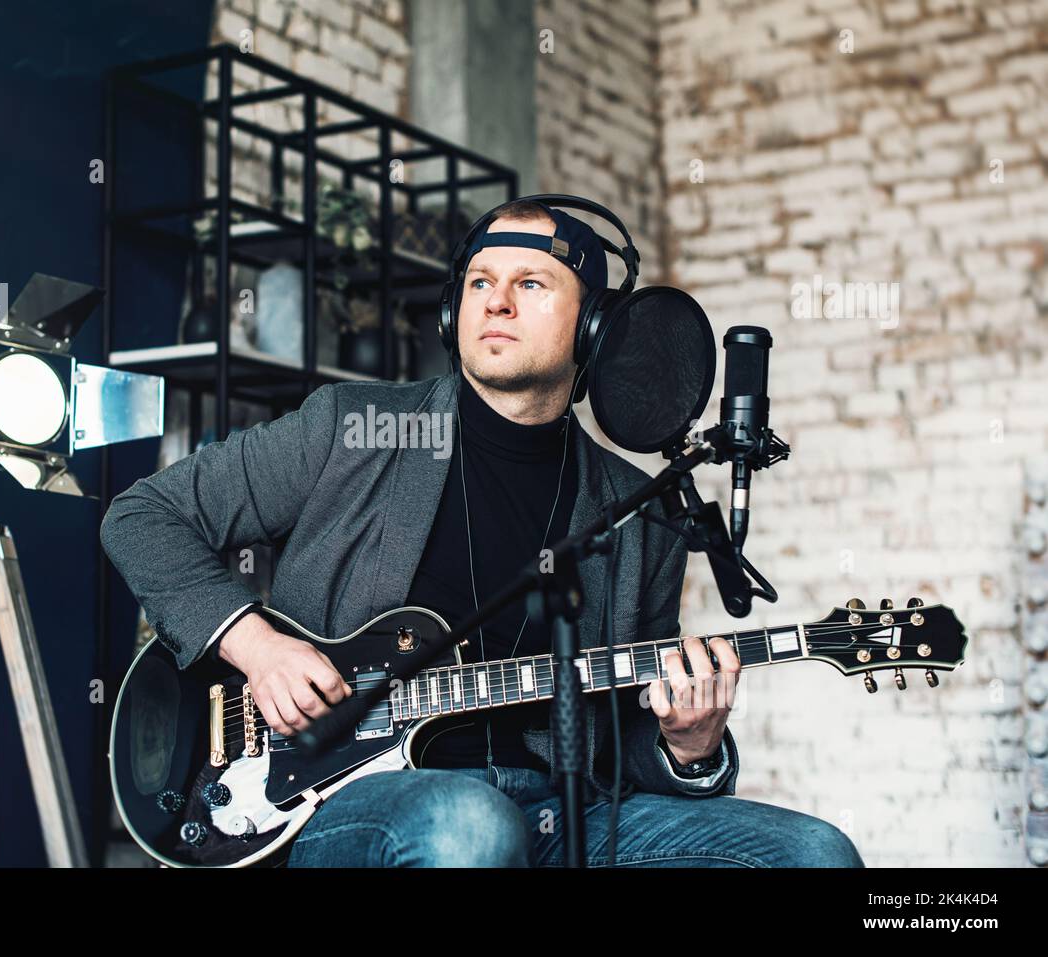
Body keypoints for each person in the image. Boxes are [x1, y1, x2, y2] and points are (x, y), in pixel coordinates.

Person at [100, 198, 865, 868]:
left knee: (813, 854)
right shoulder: (352, 429)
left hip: (564, 814)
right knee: (470, 826)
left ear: (594, 330)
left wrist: (689, 746)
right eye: (479, 283)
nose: (496, 302)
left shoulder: (641, 512)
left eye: (529, 284)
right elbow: (141, 515)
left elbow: (626, 736)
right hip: (342, 800)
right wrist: (256, 647)